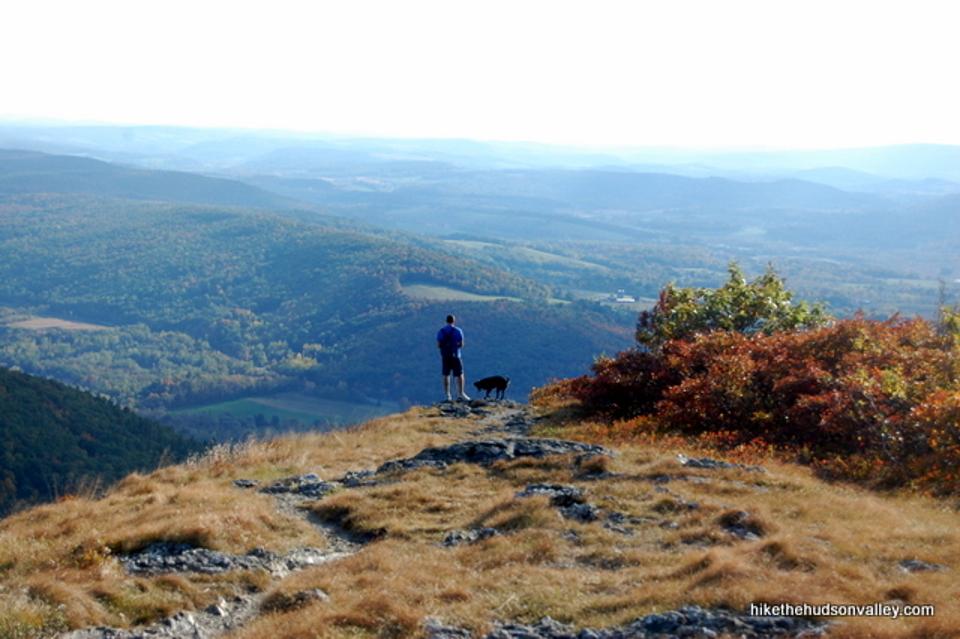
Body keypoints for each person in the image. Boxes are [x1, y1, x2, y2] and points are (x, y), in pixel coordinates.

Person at [437, 314, 470, 402]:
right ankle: (461, 393)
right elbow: (461, 344)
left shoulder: (441, 331)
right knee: (460, 375)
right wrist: (455, 346)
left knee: (446, 375)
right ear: (454, 321)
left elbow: (438, 345)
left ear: (446, 321)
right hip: (456, 355)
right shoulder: (458, 330)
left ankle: (448, 395)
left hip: (445, 356)